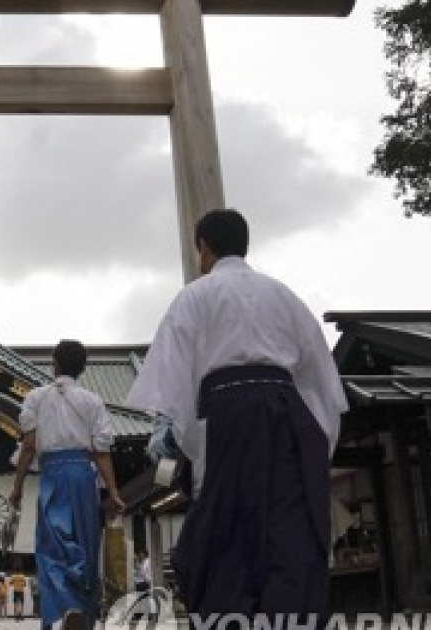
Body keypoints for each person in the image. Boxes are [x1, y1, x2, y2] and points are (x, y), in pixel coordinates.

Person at [126, 208, 348, 619]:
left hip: (223, 414)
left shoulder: (193, 297)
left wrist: (186, 441)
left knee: (224, 531)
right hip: (286, 412)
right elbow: (320, 380)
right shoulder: (285, 297)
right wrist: (317, 443)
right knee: (289, 531)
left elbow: (174, 384)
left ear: (203, 248)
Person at [9, 340, 125, 630]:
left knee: (52, 547)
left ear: (54, 363)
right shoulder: (92, 400)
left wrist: (18, 487)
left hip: (52, 474)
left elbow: (29, 446)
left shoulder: (36, 398)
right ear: (83, 369)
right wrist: (113, 492)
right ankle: (83, 617)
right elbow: (102, 451)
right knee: (85, 545)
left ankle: (64, 606)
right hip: (84, 476)